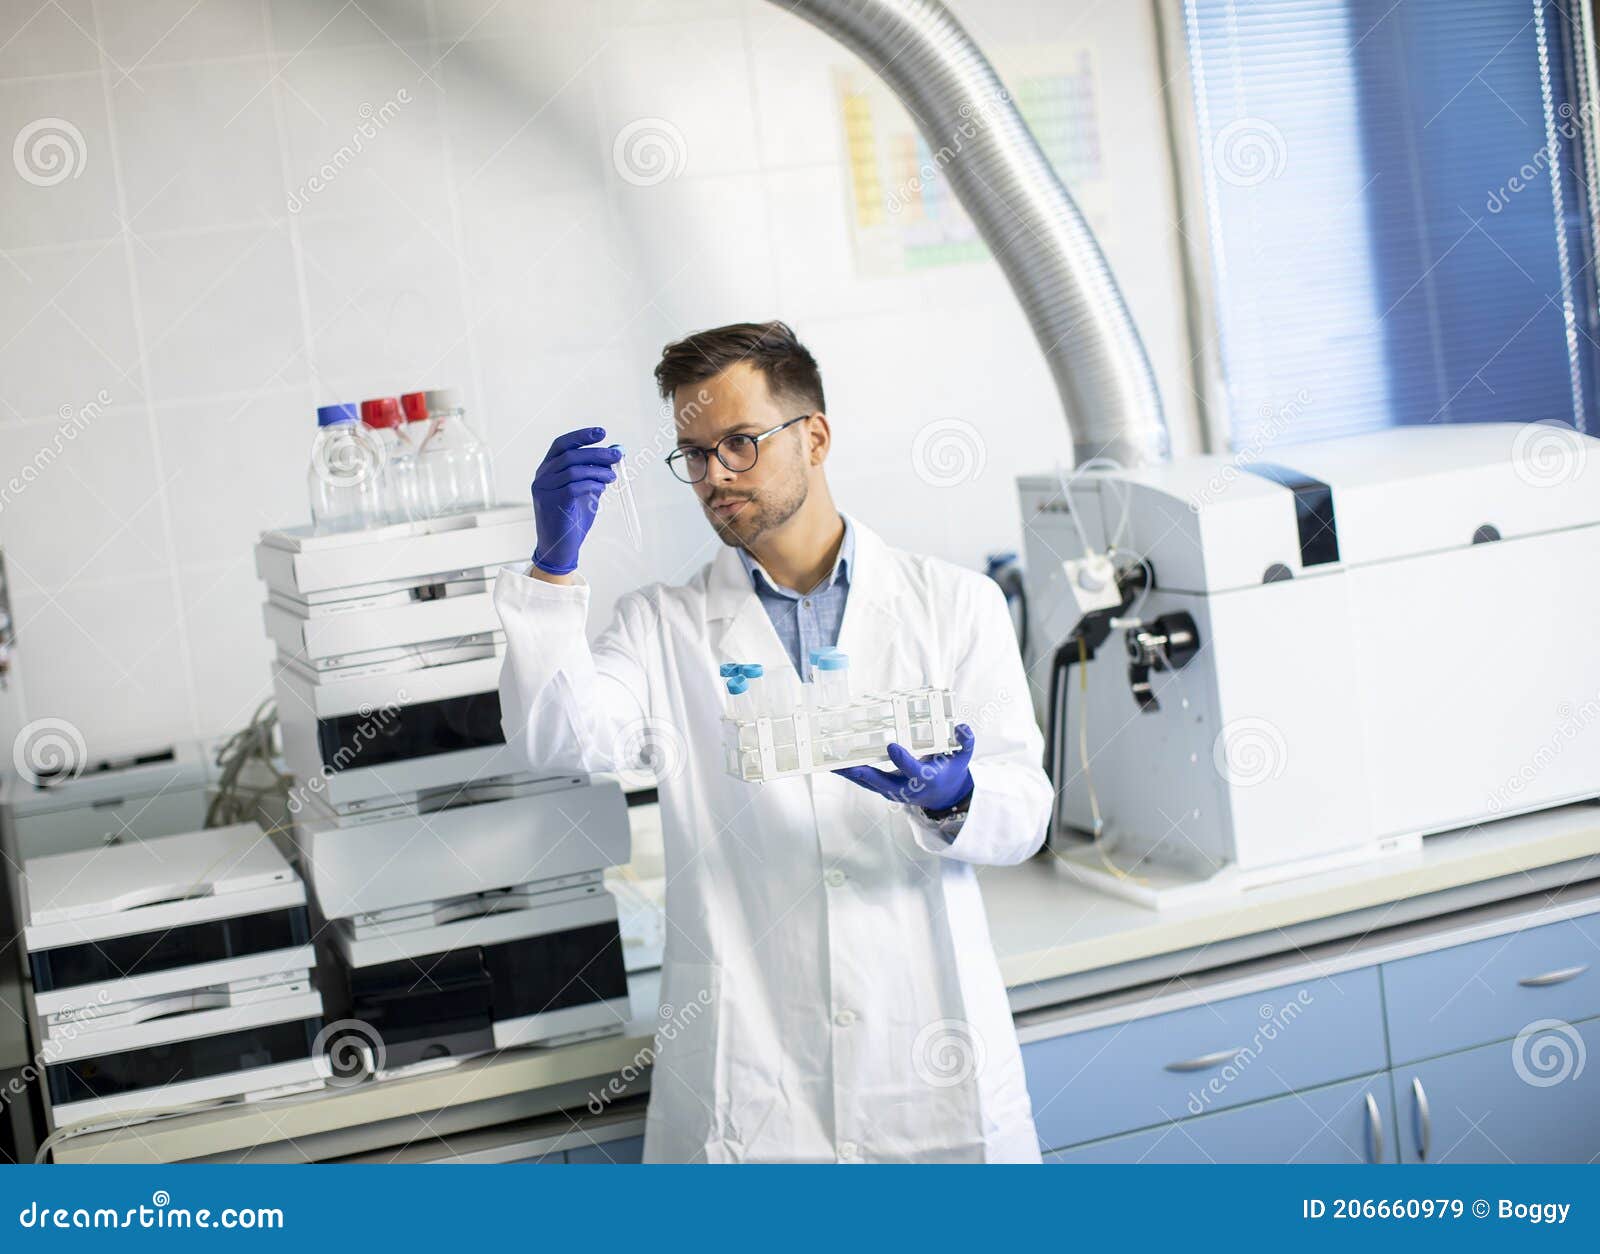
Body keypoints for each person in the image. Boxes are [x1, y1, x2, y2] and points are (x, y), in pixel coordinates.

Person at [494, 321, 1052, 1163]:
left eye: (740, 443)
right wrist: (553, 570)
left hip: (927, 1077)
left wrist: (957, 799)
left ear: (815, 437)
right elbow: (557, 738)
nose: (715, 475)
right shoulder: (661, 628)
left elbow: (1025, 810)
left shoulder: (954, 604)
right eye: (694, 453)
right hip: (751, 1097)